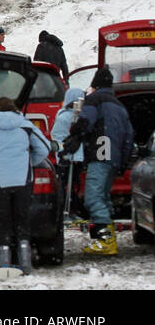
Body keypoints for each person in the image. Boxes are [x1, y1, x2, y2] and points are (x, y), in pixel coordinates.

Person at [0, 96, 51, 272]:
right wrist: (29, 162)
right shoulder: (25, 125)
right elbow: (44, 148)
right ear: (14, 109)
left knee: (2, 219)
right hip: (23, 179)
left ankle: (4, 262)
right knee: (22, 218)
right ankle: (25, 262)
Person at [63, 66, 135, 256]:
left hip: (100, 154)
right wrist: (124, 162)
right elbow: (129, 136)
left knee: (93, 197)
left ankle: (105, 239)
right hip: (115, 158)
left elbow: (85, 121)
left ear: (95, 85)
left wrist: (75, 135)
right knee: (103, 197)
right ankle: (107, 234)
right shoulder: (119, 106)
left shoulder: (94, 100)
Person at [51, 86, 87, 221]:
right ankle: (65, 211)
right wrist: (62, 152)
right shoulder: (64, 117)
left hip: (76, 157)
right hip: (67, 158)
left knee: (74, 186)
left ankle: (72, 210)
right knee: (66, 186)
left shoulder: (78, 116)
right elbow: (57, 137)